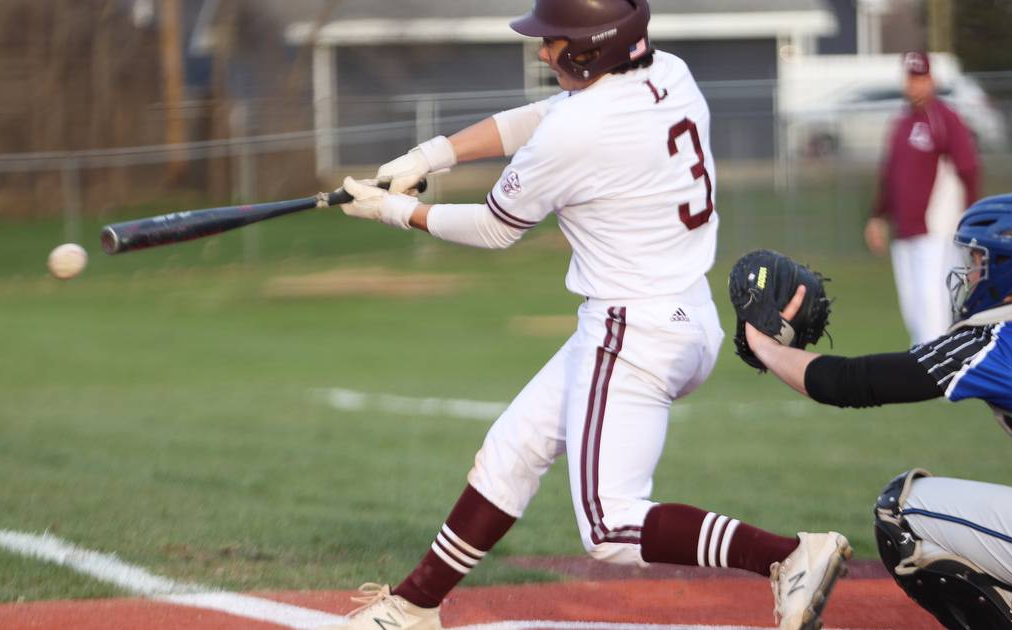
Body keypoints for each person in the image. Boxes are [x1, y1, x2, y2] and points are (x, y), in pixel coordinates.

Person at [327, 2, 851, 629]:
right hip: (682, 313)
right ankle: (414, 606)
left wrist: (395, 212)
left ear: (590, 49)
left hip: (630, 330)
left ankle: (790, 556)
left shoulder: (581, 129)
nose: (543, 52)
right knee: (511, 451)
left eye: (553, 42)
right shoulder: (670, 73)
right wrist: (433, 155)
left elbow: (495, 228)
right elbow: (546, 117)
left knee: (609, 526)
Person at [746, 192, 1012, 629]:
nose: (970, 272)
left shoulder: (1006, 339)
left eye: (979, 259)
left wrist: (765, 346)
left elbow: (851, 382)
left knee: (900, 513)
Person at [864, 51, 982, 346]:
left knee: (934, 302)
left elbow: (968, 170)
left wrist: (973, 222)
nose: (914, 85)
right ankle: (922, 367)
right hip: (905, 228)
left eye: (920, 78)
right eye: (910, 78)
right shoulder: (901, 123)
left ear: (931, 80)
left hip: (937, 227)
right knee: (913, 307)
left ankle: (939, 369)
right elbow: (889, 176)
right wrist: (878, 216)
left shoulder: (945, 120)